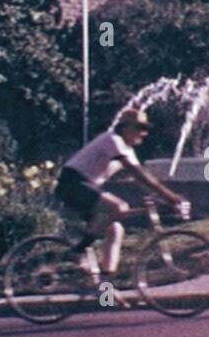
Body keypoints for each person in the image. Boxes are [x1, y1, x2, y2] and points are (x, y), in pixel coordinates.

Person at [55, 108, 188, 285]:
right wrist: (171, 196)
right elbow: (138, 173)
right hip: (72, 184)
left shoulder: (126, 148)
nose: (143, 133)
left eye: (146, 129)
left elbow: (141, 179)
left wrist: (162, 199)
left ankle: (106, 296)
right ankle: (78, 250)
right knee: (118, 207)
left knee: (115, 231)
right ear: (124, 127)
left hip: (86, 187)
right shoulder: (113, 139)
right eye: (139, 127)